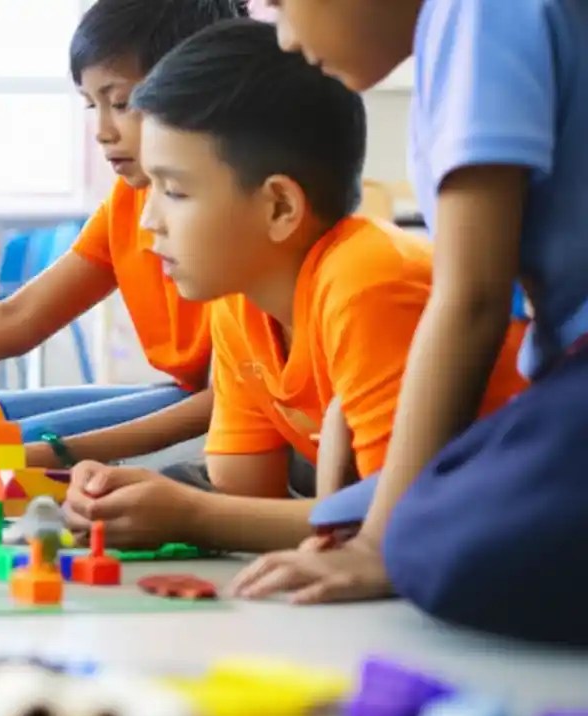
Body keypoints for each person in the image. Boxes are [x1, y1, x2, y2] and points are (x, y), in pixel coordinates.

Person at [61, 19, 529, 553]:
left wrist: (190, 514)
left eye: (174, 191)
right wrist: (147, 505)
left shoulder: (366, 280)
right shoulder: (240, 304)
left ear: (280, 206)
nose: (150, 223)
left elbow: (392, 525)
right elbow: (245, 500)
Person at [230, 0, 588, 646]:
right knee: (348, 512)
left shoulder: (478, 12)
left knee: (423, 538)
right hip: (566, 375)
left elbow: (472, 298)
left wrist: (380, 548)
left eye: (279, 4)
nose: (282, 36)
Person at [0, 0, 245, 471]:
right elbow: (20, 315)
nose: (102, 131)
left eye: (121, 103)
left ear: (192, 86)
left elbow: (232, 403)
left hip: (224, 415)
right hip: (187, 398)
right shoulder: (128, 201)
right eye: (91, 105)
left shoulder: (234, 212)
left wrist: (46, 454)